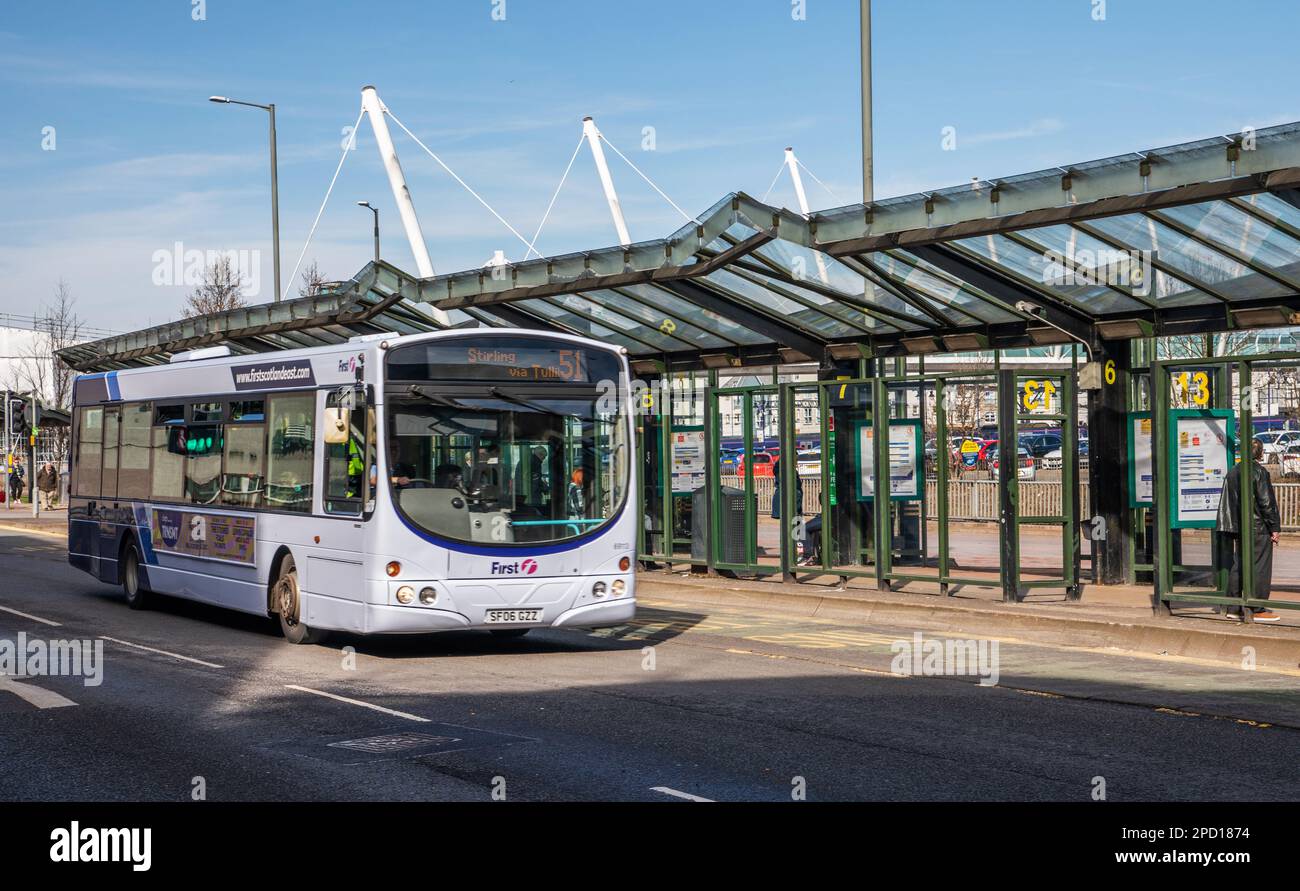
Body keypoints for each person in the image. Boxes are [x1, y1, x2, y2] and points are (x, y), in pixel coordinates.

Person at [1218, 438, 1281, 622]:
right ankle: (1257, 607)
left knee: (1239, 565)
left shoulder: (1234, 471)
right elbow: (1266, 503)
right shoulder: (1259, 472)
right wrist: (1274, 527)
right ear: (1260, 454)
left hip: (1240, 527)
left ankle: (1234, 607)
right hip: (1258, 527)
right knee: (1260, 567)